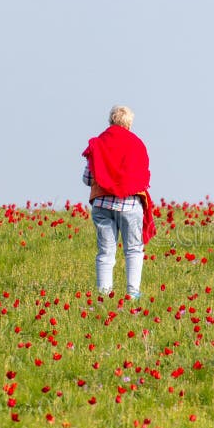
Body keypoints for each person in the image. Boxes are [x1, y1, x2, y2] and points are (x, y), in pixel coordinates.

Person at [82, 105, 155, 298]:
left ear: (110, 121)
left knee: (106, 252)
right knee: (133, 249)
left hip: (102, 205)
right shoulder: (137, 144)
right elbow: (142, 177)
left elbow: (88, 179)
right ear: (129, 124)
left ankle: (104, 295)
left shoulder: (97, 144)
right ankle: (133, 294)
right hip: (130, 205)